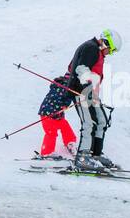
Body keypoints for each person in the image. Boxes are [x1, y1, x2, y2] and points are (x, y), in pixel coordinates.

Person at [56, 28, 122, 171]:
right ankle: (83, 157)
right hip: (80, 90)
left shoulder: (96, 50)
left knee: (102, 120)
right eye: (111, 49)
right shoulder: (90, 48)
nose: (110, 53)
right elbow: (81, 68)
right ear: (105, 42)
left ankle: (95, 155)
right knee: (89, 122)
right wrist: (86, 85)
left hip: (89, 92)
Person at [37, 83, 77, 159]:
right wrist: (65, 104)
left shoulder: (61, 88)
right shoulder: (61, 89)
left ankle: (70, 142)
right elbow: (64, 99)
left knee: (65, 126)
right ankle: (46, 153)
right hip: (47, 115)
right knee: (51, 132)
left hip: (57, 115)